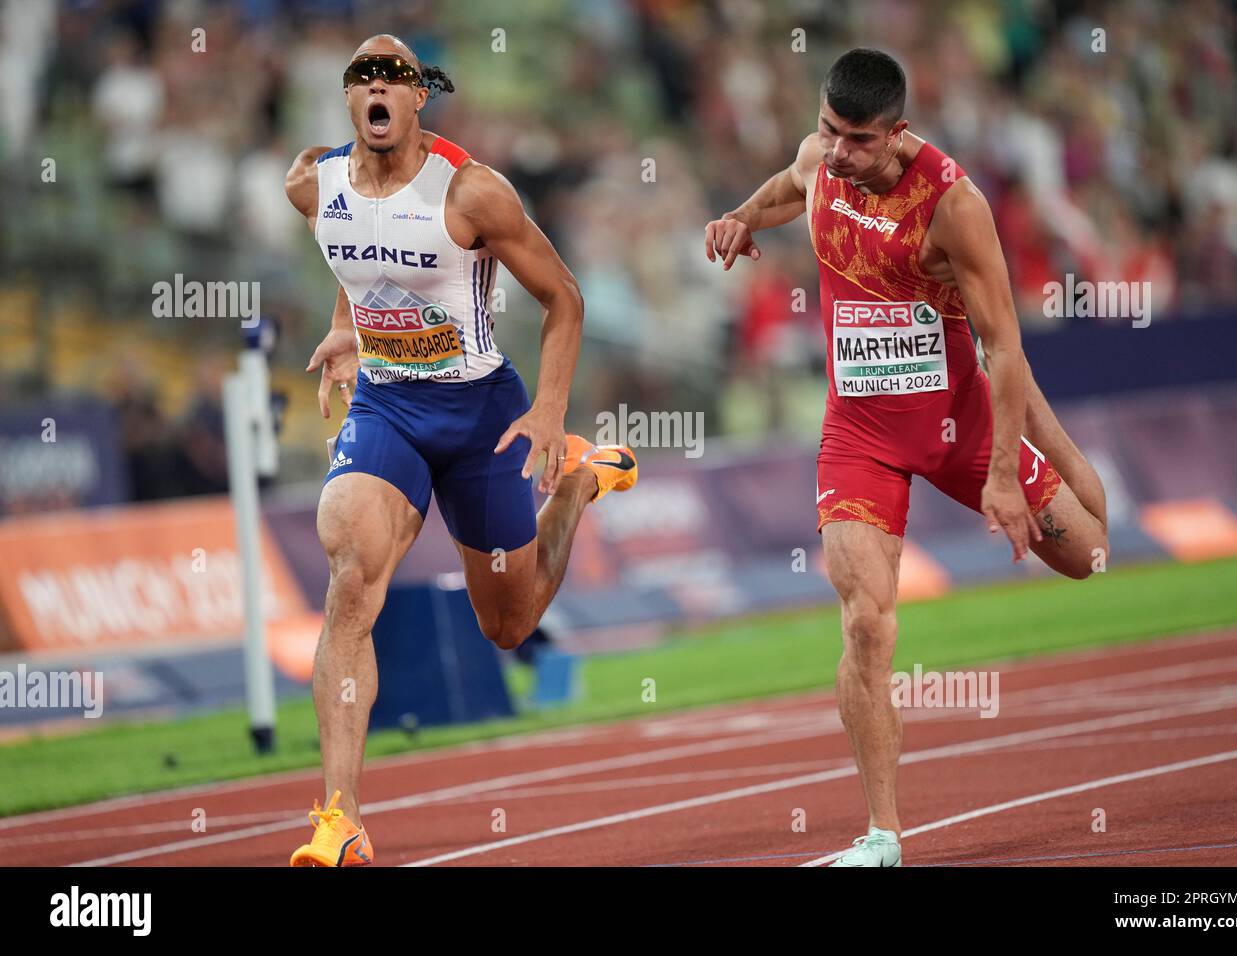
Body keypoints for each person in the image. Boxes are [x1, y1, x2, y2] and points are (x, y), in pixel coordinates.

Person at [704, 48, 1108, 867]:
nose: (839, 154)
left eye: (857, 141)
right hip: (858, 436)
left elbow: (1004, 349)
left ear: (899, 134)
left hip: (960, 424)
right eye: (829, 131)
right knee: (864, 621)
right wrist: (742, 215)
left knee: (1092, 554)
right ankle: (883, 835)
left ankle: (1057, 452)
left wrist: (1005, 469)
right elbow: (791, 185)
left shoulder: (955, 205)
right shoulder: (824, 158)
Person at [283, 34, 637, 867]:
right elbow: (357, 256)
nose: (377, 88)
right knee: (350, 580)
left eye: (394, 78)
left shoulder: (473, 192)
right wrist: (345, 328)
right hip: (388, 409)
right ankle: (339, 819)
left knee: (506, 625)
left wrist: (550, 412)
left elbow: (565, 298)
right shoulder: (312, 183)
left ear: (418, 99)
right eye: (362, 77)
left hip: (483, 416)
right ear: (348, 101)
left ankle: (578, 488)